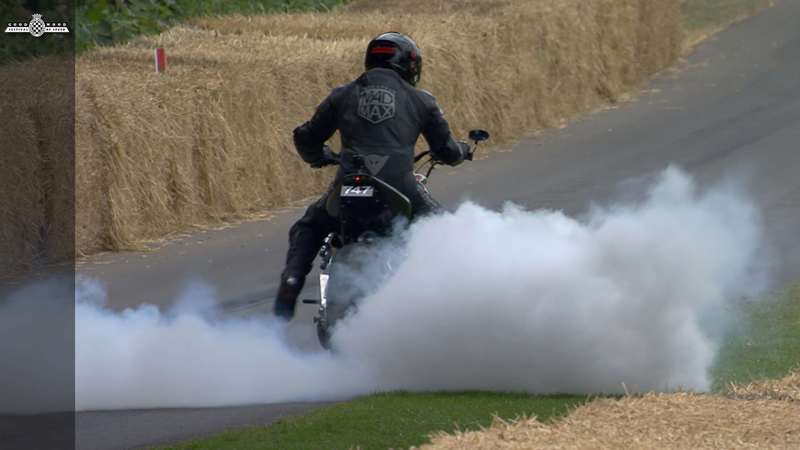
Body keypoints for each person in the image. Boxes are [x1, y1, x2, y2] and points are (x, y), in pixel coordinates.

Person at [273, 31, 471, 321]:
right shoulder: (422, 101)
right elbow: (448, 151)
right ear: (410, 66)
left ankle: (290, 284)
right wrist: (463, 150)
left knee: (309, 226)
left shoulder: (342, 95)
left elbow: (305, 137)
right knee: (447, 231)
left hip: (349, 181)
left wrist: (320, 157)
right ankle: (457, 307)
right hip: (399, 185)